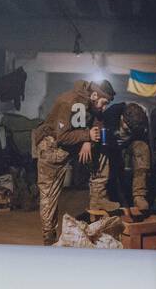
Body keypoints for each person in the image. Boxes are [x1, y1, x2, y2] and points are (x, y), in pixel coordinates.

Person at [32, 79, 115, 244]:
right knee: (49, 194)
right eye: (103, 103)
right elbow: (62, 137)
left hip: (72, 145)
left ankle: (98, 199)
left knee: (101, 154)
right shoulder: (70, 102)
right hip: (52, 147)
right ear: (94, 95)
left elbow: (97, 119)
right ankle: (49, 237)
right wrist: (86, 136)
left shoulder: (91, 102)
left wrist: (88, 142)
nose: (104, 107)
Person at [88, 102, 153, 213]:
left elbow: (145, 142)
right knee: (103, 155)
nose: (128, 132)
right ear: (122, 118)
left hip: (126, 145)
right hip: (108, 146)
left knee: (142, 147)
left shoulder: (142, 121)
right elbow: (99, 139)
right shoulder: (111, 114)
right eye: (127, 129)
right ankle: (98, 198)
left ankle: (139, 195)